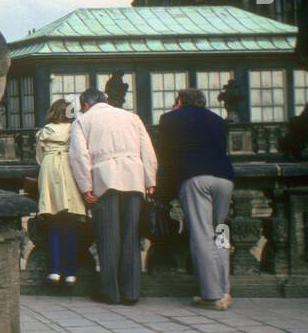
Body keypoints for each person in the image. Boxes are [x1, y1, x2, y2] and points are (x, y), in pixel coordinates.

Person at [68, 87, 157, 305]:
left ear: (85, 104)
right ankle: (132, 292)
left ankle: (110, 291)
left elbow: (79, 156)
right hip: (134, 178)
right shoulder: (131, 117)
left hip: (105, 179)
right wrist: (150, 179)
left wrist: (85, 186)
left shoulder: (83, 120)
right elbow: (148, 150)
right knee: (131, 236)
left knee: (108, 238)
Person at [157, 88, 235, 310]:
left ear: (179, 101)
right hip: (225, 178)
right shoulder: (218, 120)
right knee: (221, 231)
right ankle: (225, 289)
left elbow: (164, 155)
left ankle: (212, 295)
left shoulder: (169, 119)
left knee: (202, 234)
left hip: (195, 177)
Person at [35, 98, 87, 285]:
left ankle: (55, 270)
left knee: (54, 222)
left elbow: (39, 157)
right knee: (71, 224)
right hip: (69, 168)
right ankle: (71, 272)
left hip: (50, 168)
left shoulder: (44, 131)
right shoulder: (75, 130)